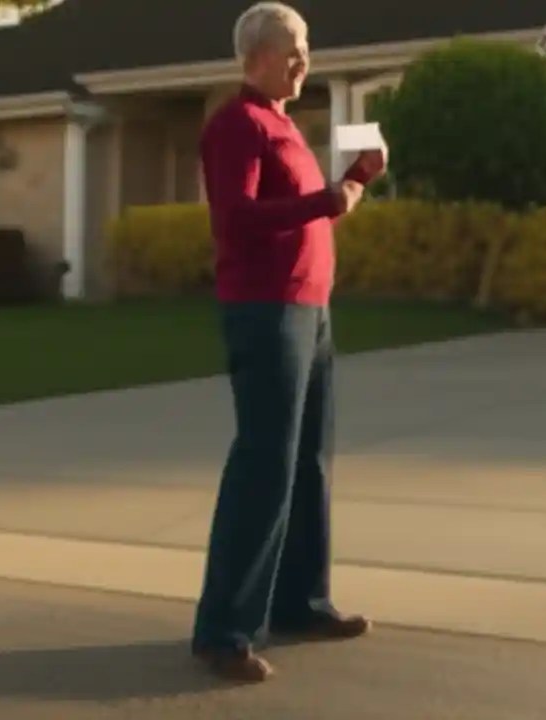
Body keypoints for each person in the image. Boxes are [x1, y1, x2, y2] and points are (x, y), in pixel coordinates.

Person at [190, 1, 386, 683]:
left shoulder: (285, 127)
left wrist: (359, 178)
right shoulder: (236, 126)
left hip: (311, 310)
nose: (305, 61)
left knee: (311, 463)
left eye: (307, 48)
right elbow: (237, 219)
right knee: (264, 466)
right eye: (293, 49)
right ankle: (222, 632)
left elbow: (321, 208)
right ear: (256, 56)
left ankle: (301, 602)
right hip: (264, 311)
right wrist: (326, 202)